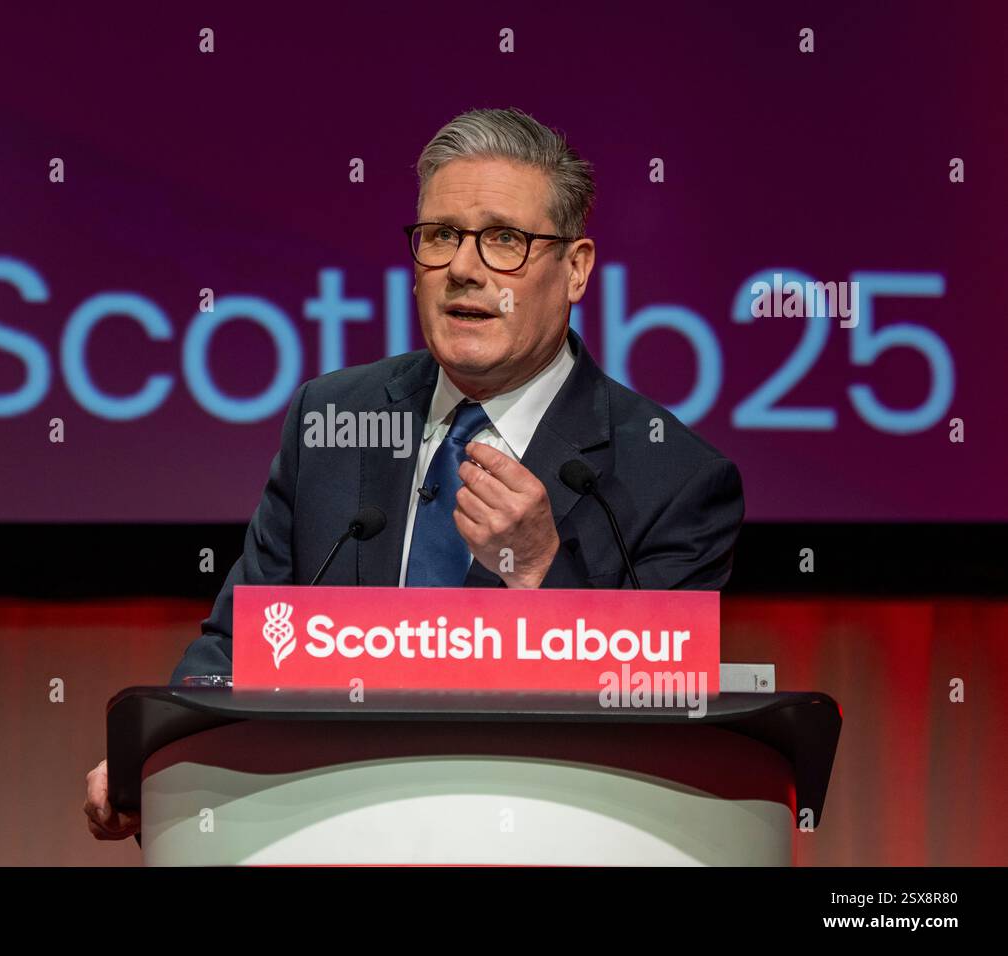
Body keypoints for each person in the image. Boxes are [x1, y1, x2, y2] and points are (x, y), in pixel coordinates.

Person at [85, 106, 743, 840]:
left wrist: (540, 574)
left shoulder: (676, 478)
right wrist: (159, 754)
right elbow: (240, 644)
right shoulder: (331, 419)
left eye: (504, 240)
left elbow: (663, 724)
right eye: (440, 237)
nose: (463, 268)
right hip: (327, 833)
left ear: (578, 268)